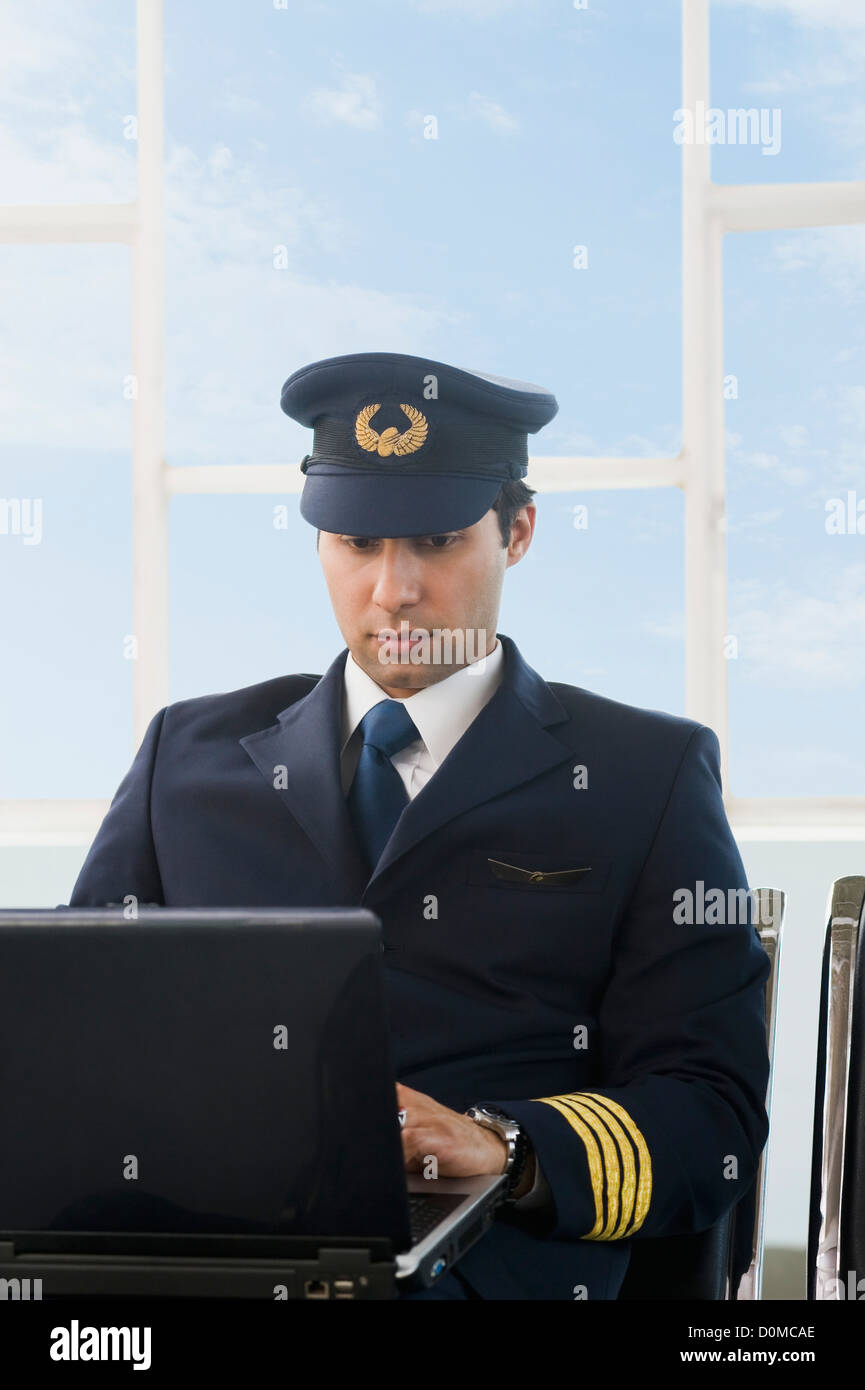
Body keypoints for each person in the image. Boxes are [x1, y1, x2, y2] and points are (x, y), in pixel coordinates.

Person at [69, 350, 770, 1301]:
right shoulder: (181, 757)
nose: (392, 590)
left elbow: (709, 1113)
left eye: (436, 541)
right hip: (212, 1264)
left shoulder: (646, 775)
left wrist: (504, 1147)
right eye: (356, 544)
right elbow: (75, 1041)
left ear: (516, 531)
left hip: (489, 1270)